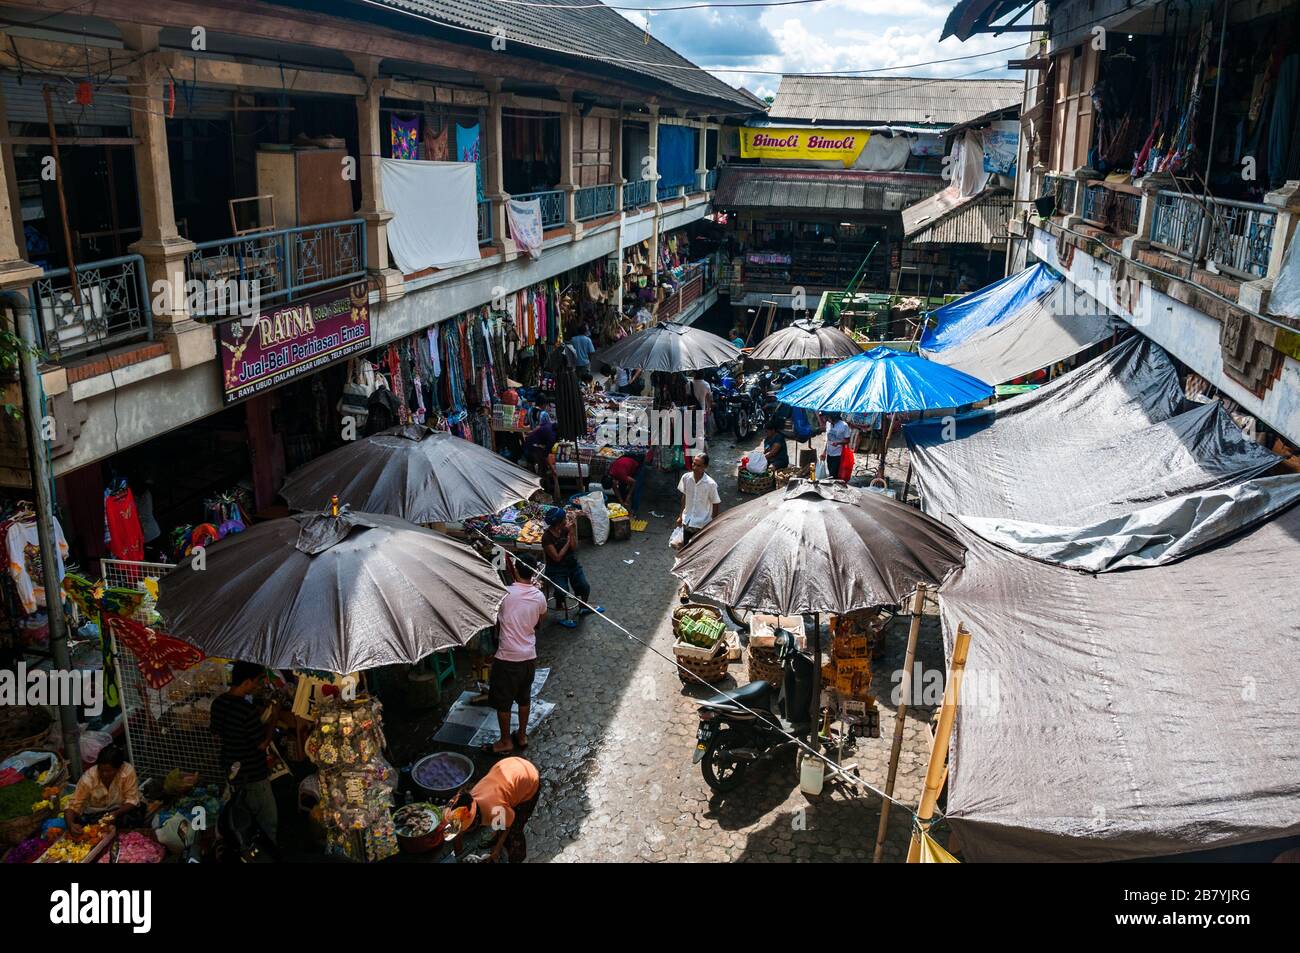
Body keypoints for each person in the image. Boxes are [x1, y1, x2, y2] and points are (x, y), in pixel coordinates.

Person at [210, 660, 277, 847]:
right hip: (254, 774)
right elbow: (262, 744)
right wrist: (273, 719)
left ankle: (244, 850)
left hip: (232, 771)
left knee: (240, 821)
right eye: (257, 681)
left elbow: (216, 735)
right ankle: (267, 855)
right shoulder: (246, 710)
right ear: (247, 681)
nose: (257, 686)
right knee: (267, 822)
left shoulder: (219, 703)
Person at [487, 559, 548, 754]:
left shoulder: (504, 594)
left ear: (514, 571)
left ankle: (506, 741)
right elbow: (539, 622)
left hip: (507, 658)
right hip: (528, 657)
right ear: (533, 573)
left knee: (503, 702)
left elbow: (494, 618)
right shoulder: (539, 597)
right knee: (524, 698)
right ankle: (521, 735)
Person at [447, 756, 540, 863]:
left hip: (527, 778)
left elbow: (507, 825)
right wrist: (459, 857)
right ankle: (496, 837)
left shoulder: (495, 810)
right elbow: (456, 831)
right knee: (500, 820)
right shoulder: (466, 801)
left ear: (476, 822)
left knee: (515, 830)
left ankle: (516, 858)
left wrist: (496, 851)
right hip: (508, 767)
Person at [541, 508, 602, 628]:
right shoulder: (547, 537)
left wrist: (572, 532)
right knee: (562, 590)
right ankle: (560, 610)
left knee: (584, 586)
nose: (566, 520)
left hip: (571, 564)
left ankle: (583, 607)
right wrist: (568, 542)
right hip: (556, 568)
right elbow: (557, 557)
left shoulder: (565, 529)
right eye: (564, 518)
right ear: (558, 522)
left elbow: (574, 548)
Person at [64, 746, 141, 834]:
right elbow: (73, 805)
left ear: (118, 768)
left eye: (108, 771)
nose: (104, 774)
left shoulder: (127, 771)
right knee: (84, 825)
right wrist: (70, 824)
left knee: (134, 817)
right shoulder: (88, 778)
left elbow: (132, 800)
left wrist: (115, 814)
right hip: (96, 814)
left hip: (120, 810)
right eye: (101, 770)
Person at [677, 452, 721, 545]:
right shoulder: (686, 478)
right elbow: (684, 496)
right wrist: (681, 516)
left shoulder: (710, 484)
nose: (694, 468)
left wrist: (713, 524)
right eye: (694, 464)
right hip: (687, 521)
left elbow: (716, 503)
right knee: (685, 548)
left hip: (702, 524)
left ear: (705, 467)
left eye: (698, 465)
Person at [823, 412, 851, 481]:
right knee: (830, 473)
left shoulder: (844, 425)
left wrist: (838, 443)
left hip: (838, 454)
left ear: (834, 417)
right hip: (829, 453)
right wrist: (824, 452)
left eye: (828, 417)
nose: (826, 419)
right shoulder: (828, 424)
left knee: (834, 475)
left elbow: (847, 440)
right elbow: (827, 440)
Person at [690, 371, 714, 435]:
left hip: (691, 411)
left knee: (692, 429)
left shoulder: (689, 384)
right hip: (702, 410)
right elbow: (710, 398)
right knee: (701, 429)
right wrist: (709, 408)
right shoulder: (706, 384)